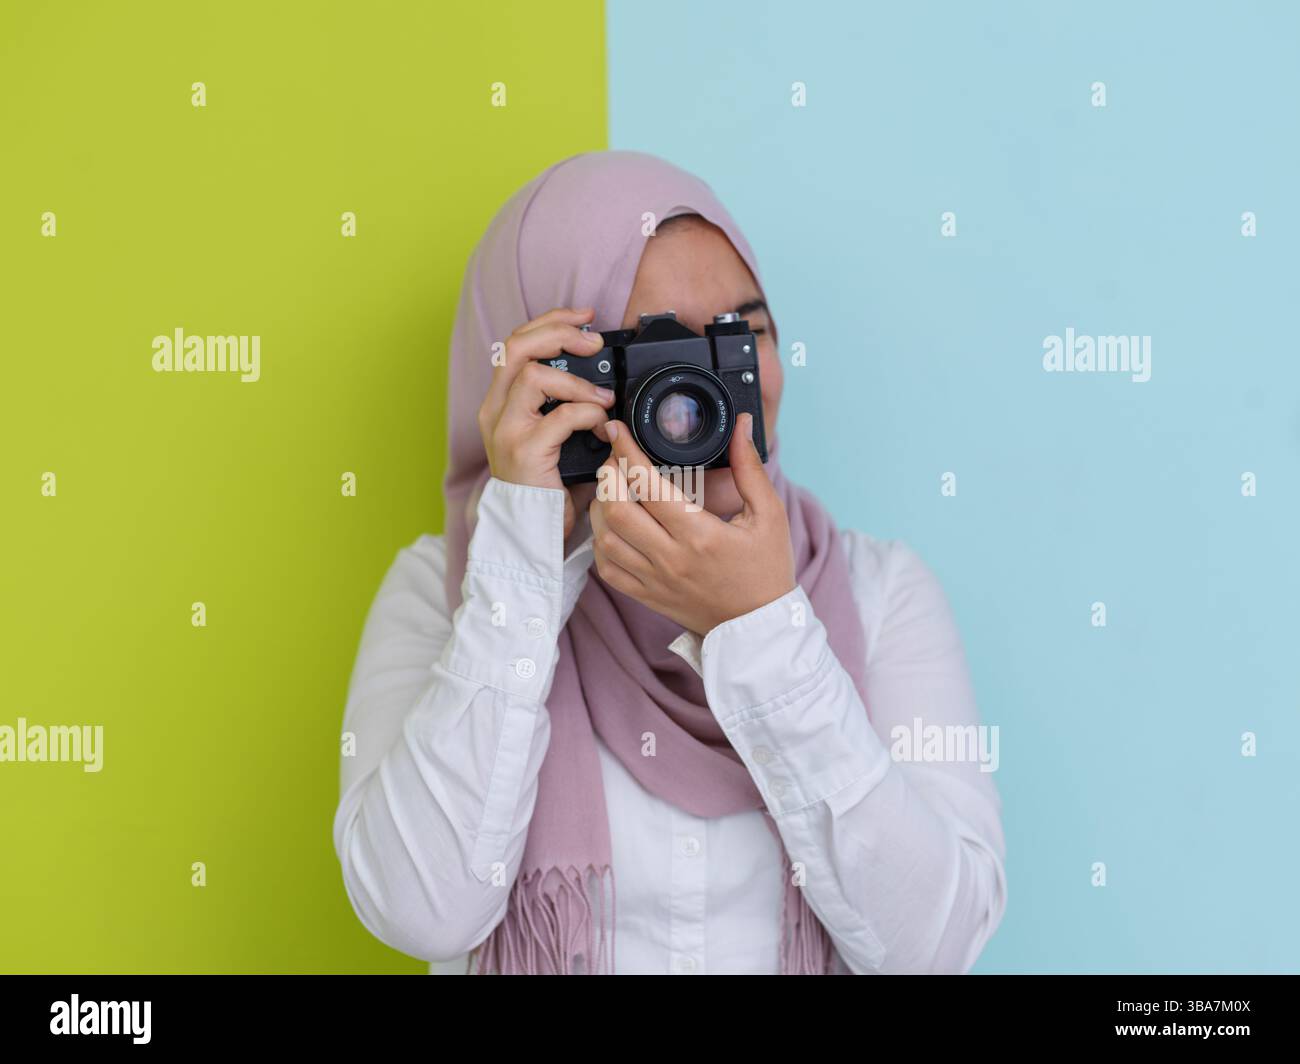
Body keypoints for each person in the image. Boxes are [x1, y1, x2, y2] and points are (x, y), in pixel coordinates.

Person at [331, 150, 1007, 974]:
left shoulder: (879, 591)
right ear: (543, 375)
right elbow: (421, 912)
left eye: (742, 333)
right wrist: (524, 552)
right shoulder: (445, 590)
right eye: (653, 349)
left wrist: (758, 622)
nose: (705, 390)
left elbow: (934, 947)